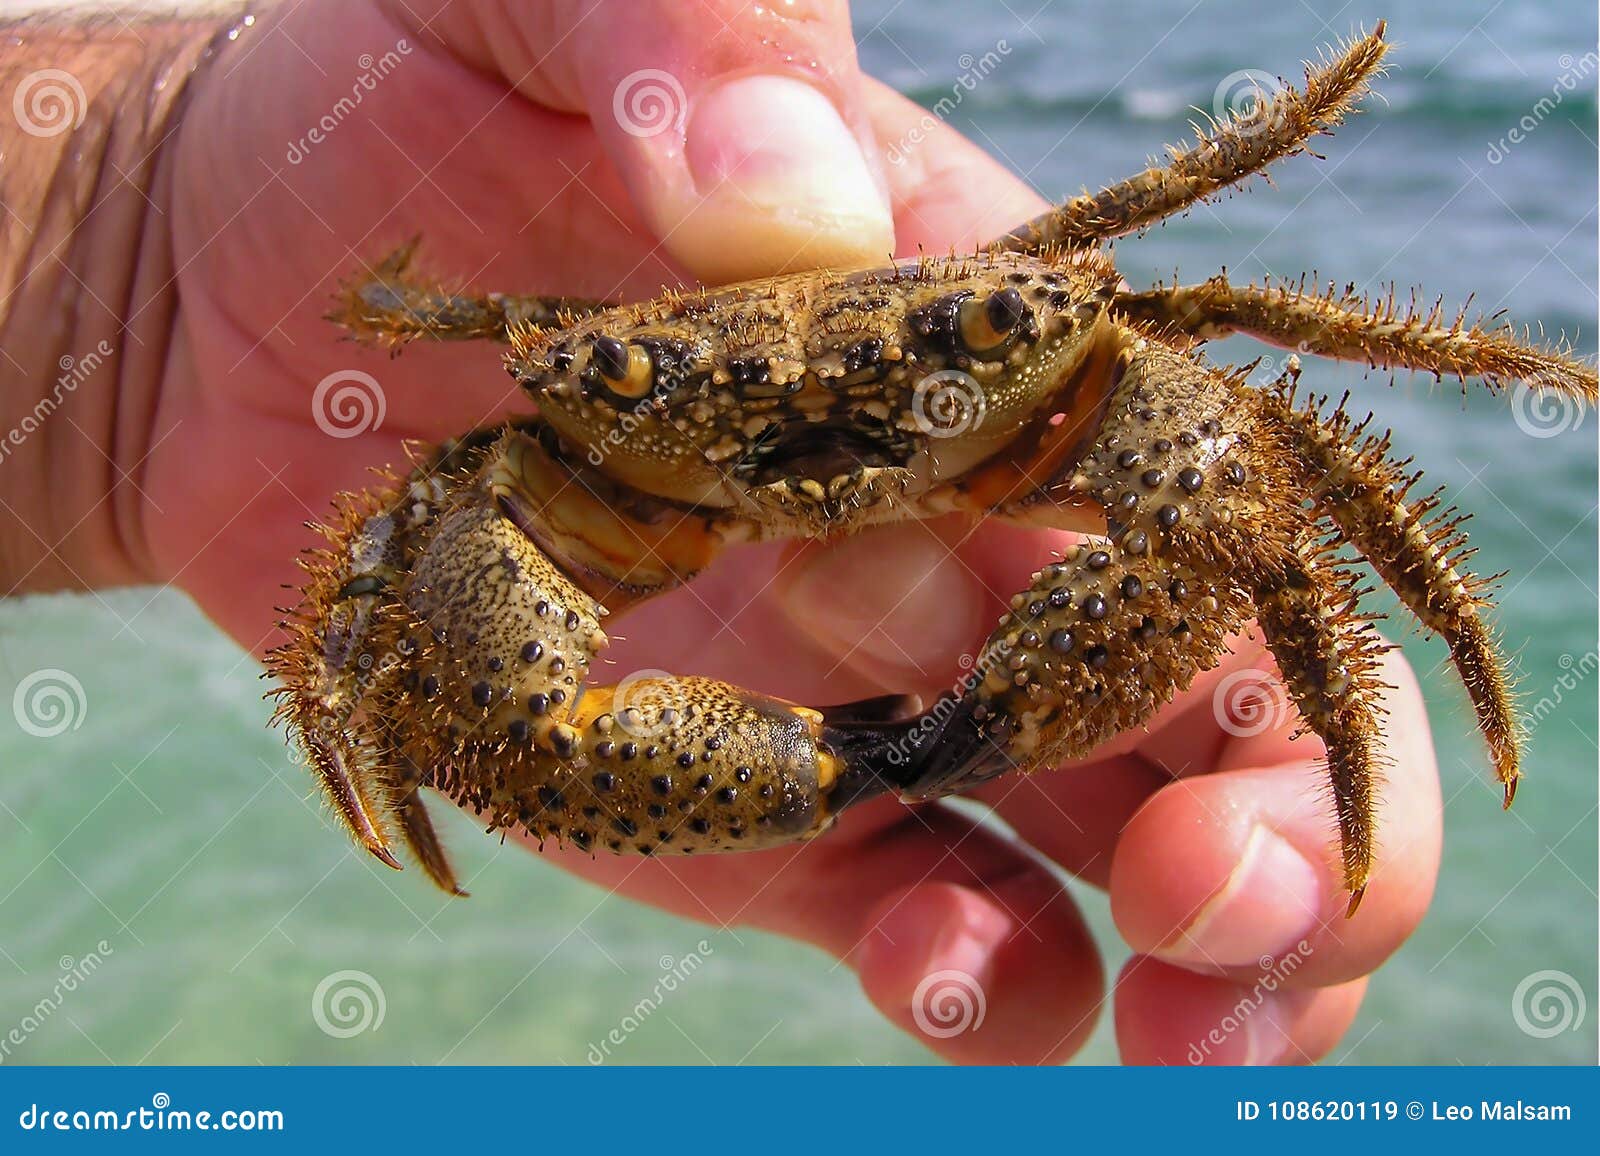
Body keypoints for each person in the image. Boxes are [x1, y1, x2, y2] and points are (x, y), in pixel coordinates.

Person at [0, 0, 1441, 1064]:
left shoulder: (1079, 374)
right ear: (587, 386)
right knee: (446, 597)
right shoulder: (532, 471)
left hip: (970, 421)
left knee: (1247, 481)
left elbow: (1240, 490)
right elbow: (431, 634)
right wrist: (156, 262)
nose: (818, 466)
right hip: (663, 484)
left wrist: (141, 252)